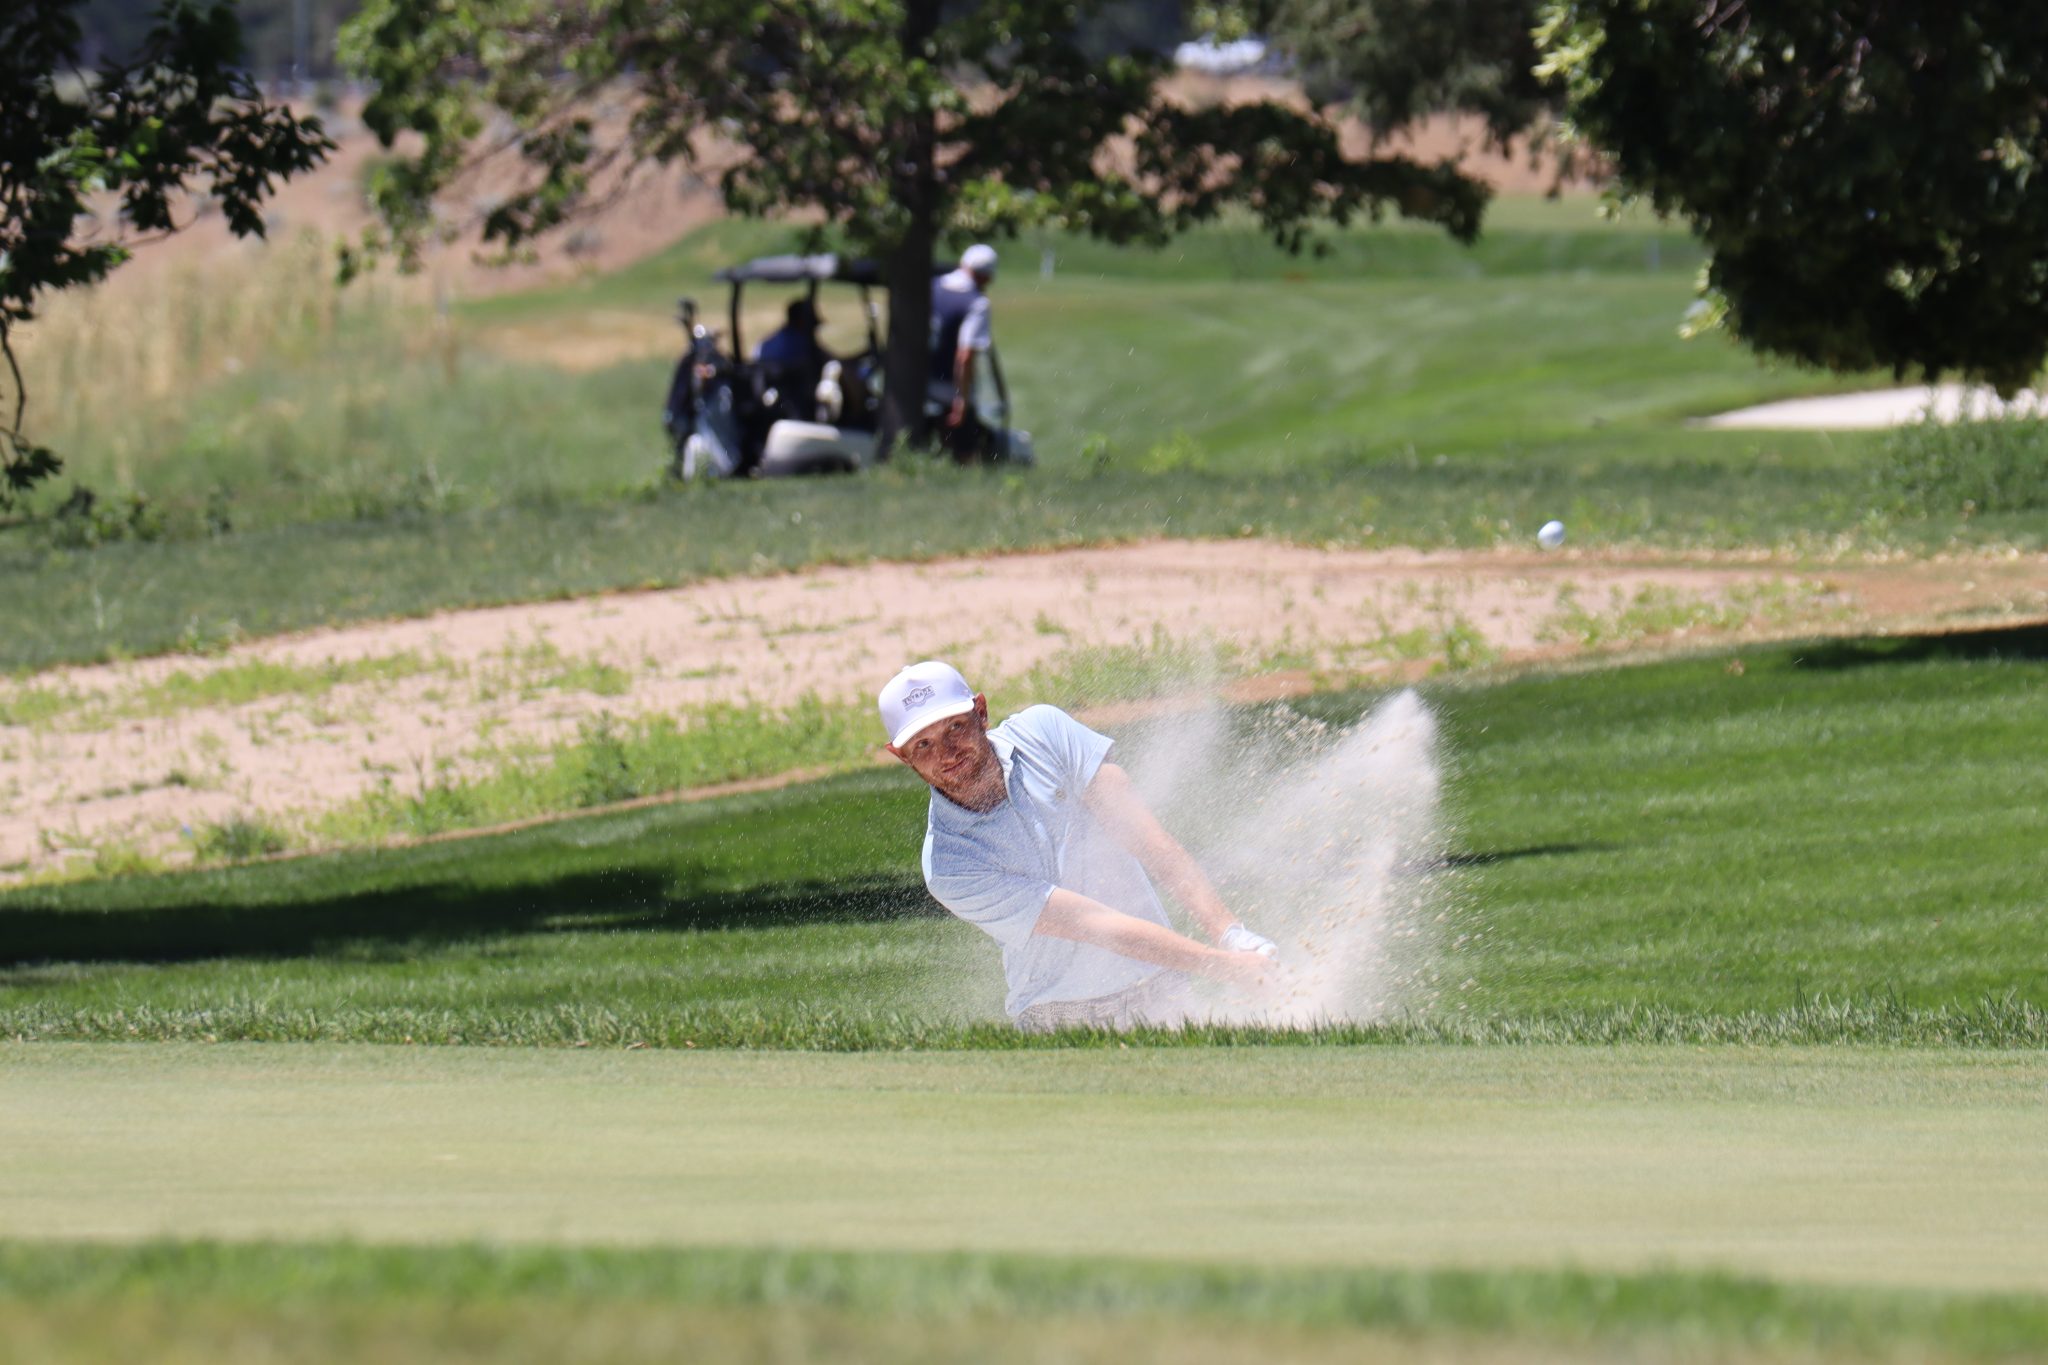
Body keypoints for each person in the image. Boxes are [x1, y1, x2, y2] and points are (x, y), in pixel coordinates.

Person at [878, 660, 1279, 1032]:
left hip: (1161, 987)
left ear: (980, 712)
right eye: (923, 745)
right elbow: (1098, 925)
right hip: (1060, 1018)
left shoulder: (1046, 733)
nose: (947, 753)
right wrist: (1227, 968)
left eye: (954, 728)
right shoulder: (949, 866)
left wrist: (1231, 934)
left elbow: (1149, 840)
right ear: (900, 756)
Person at [928, 243, 999, 459]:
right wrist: (962, 399)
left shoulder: (933, 285)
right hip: (946, 384)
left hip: (917, 379)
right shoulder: (976, 303)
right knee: (966, 450)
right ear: (986, 277)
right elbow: (965, 355)